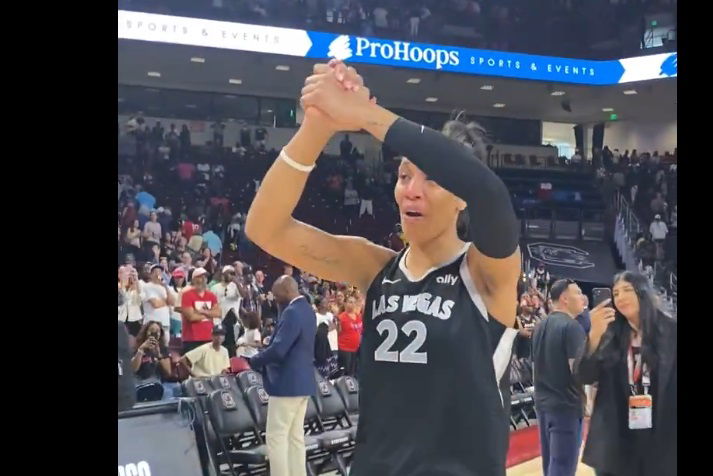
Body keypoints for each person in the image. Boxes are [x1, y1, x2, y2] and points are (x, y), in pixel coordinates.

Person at [245, 60, 521, 475]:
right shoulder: (375, 267)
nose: (412, 191)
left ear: (462, 197)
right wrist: (318, 125)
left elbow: (491, 193)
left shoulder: (485, 273)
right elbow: (265, 228)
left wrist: (364, 114)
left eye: (432, 180)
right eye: (404, 175)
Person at [575, 271, 677, 476]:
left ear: (643, 292)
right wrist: (593, 337)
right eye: (616, 293)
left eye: (627, 290)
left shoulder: (671, 331)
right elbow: (584, 376)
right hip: (618, 436)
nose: (620, 297)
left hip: (662, 435)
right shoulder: (609, 332)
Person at [245, 276, 317, 476]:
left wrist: (253, 361)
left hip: (287, 383)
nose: (275, 299)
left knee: (276, 437)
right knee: (295, 437)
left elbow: (278, 350)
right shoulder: (307, 310)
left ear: (287, 291)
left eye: (277, 295)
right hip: (303, 382)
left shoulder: (292, 312)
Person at [531, 279, 591, 476]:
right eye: (578, 293)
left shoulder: (540, 326)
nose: (583, 298)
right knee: (563, 468)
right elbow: (579, 372)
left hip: (543, 405)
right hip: (566, 407)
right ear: (565, 298)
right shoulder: (572, 327)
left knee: (551, 466)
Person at [132, 321, 182, 400]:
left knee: (172, 390)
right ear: (146, 332)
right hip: (139, 384)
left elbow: (168, 372)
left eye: (157, 331)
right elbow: (133, 369)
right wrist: (141, 350)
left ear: (160, 334)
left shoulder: (163, 349)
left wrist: (158, 356)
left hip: (157, 383)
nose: (154, 333)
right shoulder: (137, 348)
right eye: (151, 330)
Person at [180, 268, 222, 353]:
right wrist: (209, 314)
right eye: (200, 277)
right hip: (191, 338)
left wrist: (203, 312)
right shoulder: (187, 295)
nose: (203, 279)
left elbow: (218, 313)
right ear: (194, 279)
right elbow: (191, 317)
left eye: (205, 277)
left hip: (208, 337)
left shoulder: (211, 295)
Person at [212, 265, 244, 355]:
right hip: (218, 321)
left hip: (233, 322)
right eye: (229, 273)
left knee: (232, 347)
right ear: (223, 274)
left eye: (233, 273)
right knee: (220, 347)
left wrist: (237, 282)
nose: (232, 275)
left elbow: (244, 295)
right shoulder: (215, 287)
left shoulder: (236, 286)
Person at [141, 264, 176, 344]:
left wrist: (165, 287)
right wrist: (166, 302)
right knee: (151, 346)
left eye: (160, 272)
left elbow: (173, 302)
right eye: (155, 272)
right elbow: (155, 304)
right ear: (151, 274)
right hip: (151, 323)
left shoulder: (166, 287)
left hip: (165, 323)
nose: (158, 274)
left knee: (165, 346)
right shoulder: (146, 287)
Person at [336, 295, 363, 376]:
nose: (352, 304)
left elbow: (361, 331)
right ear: (345, 304)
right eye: (350, 302)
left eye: (354, 302)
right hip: (345, 349)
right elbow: (337, 333)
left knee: (353, 372)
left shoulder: (358, 316)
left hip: (356, 349)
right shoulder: (341, 317)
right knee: (345, 373)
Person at [118, 265, 144, 336]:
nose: (125, 274)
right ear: (118, 275)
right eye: (122, 272)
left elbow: (142, 299)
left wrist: (136, 281)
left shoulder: (137, 285)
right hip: (120, 319)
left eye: (127, 272)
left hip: (135, 319)